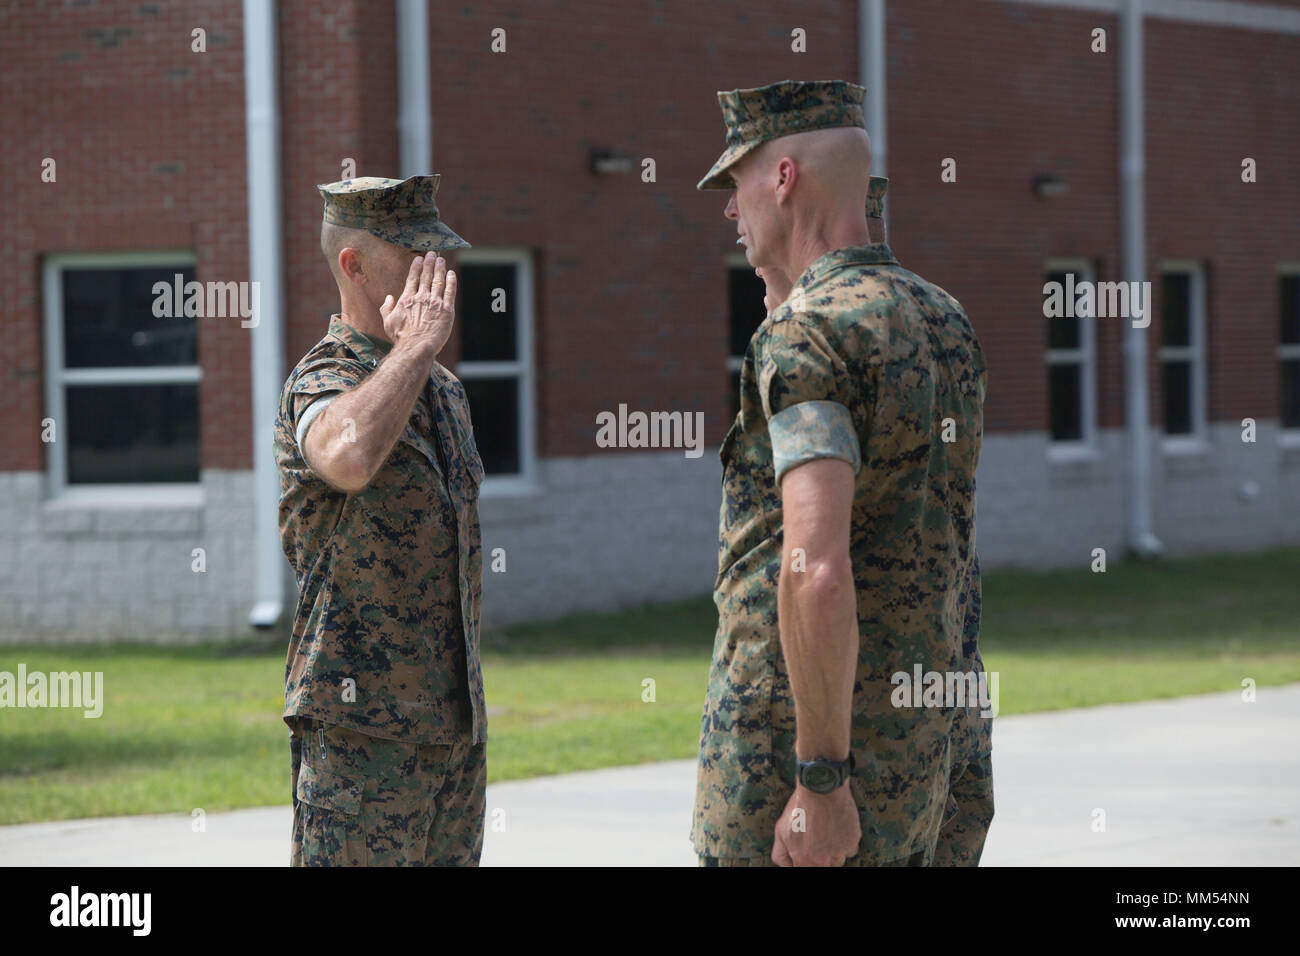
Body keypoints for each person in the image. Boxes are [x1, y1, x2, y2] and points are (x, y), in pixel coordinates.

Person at [692, 80, 990, 866]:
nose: (731, 207)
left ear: (783, 179)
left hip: (809, 770)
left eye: (737, 181)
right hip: (931, 749)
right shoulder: (943, 318)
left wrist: (820, 779)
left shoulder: (806, 337)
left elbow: (816, 569)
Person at [272, 175, 488, 866]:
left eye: (440, 251)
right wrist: (416, 350)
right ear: (353, 266)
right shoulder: (322, 378)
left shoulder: (443, 390)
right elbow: (349, 455)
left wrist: (421, 362)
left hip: (450, 728)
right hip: (359, 734)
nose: (437, 270)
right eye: (415, 252)